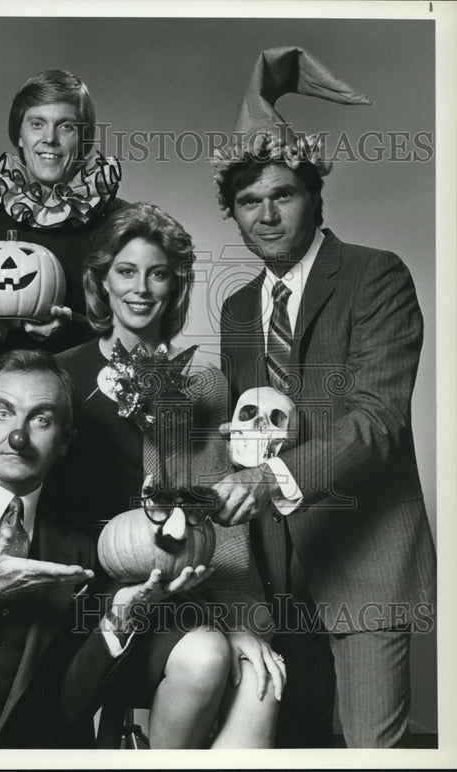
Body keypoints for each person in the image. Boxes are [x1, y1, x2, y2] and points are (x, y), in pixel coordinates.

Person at [211, 47, 436, 747]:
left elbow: (377, 423)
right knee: (294, 748)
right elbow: (249, 425)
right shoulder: (241, 309)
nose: (267, 216)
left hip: (363, 560)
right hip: (275, 575)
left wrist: (269, 477)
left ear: (314, 195)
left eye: (284, 194)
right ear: (235, 214)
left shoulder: (376, 277)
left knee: (372, 750)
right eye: (249, 202)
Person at [0, 349, 208, 749]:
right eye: (3, 413)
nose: (18, 434)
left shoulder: (82, 551)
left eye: (41, 419)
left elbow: (66, 709)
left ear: (65, 440)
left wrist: (120, 618)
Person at [55, 202, 286, 749]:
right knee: (209, 658)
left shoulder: (203, 385)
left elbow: (221, 516)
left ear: (174, 286)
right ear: (101, 282)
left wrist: (241, 621)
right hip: (87, 592)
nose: (141, 288)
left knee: (260, 677)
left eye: (158, 274)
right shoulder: (61, 377)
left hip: (184, 585)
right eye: (126, 271)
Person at [0, 69, 126, 470]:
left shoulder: (120, 224)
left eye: (65, 126)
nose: (49, 139)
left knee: (89, 533)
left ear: (83, 139)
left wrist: (74, 332)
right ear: (19, 134)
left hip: (92, 422)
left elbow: (141, 335)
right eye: (37, 124)